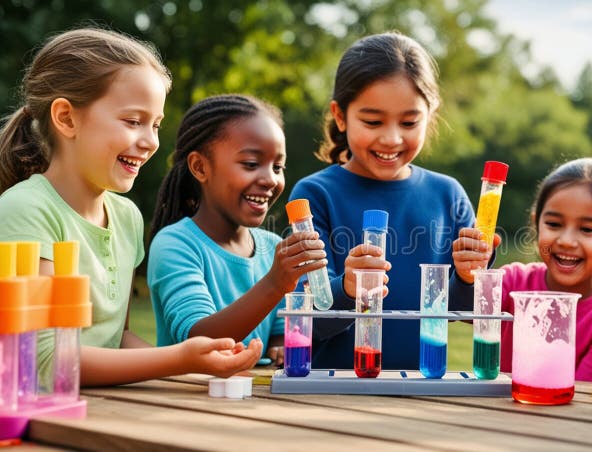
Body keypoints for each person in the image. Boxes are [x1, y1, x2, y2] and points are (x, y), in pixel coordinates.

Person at [0, 28, 261, 387]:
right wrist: (179, 357)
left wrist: (195, 370)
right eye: (133, 121)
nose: (151, 141)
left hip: (102, 409)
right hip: (36, 424)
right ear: (66, 118)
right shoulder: (25, 210)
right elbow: (43, 359)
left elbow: (115, 339)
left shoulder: (126, 217)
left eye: (155, 125)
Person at [288, 32, 474, 370]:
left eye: (409, 122)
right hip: (331, 395)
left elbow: (466, 315)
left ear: (430, 115)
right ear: (341, 116)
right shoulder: (314, 196)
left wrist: (469, 277)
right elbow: (306, 324)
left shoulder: (448, 196)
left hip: (425, 392)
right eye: (373, 121)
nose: (391, 138)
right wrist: (346, 289)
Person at [148, 94, 328, 366]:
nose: (270, 179)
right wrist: (274, 283)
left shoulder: (270, 246)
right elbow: (199, 341)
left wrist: (280, 347)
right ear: (200, 167)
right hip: (187, 399)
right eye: (251, 164)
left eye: (278, 166)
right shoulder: (176, 244)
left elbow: (279, 330)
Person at [452, 157, 592, 384]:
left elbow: (588, 395)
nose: (567, 241)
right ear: (536, 223)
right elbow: (459, 310)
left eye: (587, 229)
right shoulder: (513, 281)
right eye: (554, 224)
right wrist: (468, 276)